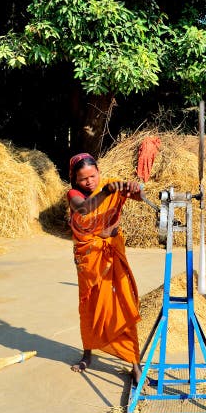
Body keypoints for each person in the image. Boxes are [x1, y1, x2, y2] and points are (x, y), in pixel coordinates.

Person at [66, 153, 147, 386]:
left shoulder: (110, 185)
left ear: (99, 172)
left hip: (112, 254)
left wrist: (135, 189)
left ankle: (134, 364)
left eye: (93, 176)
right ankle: (88, 355)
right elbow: (83, 209)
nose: (90, 182)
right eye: (83, 179)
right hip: (89, 260)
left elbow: (139, 197)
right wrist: (106, 192)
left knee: (124, 305)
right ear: (75, 180)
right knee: (90, 305)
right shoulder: (75, 195)